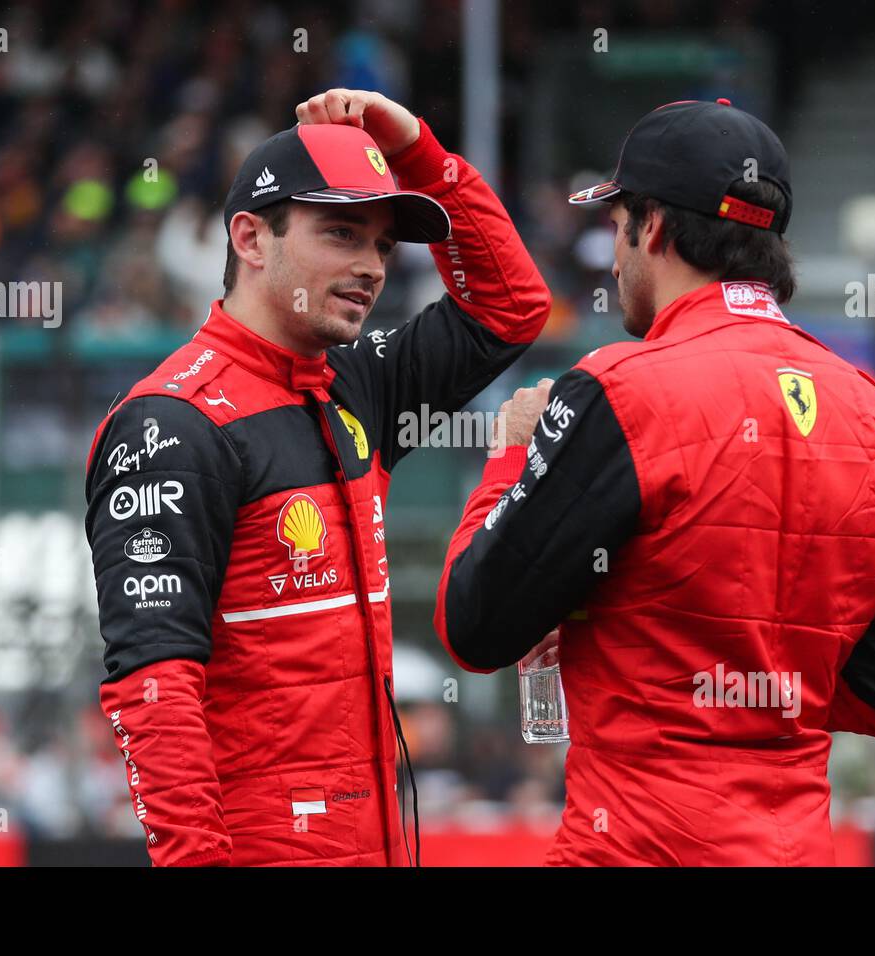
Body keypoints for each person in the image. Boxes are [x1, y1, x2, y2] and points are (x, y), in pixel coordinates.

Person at [433, 99, 875, 865]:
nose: (614, 256)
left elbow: (473, 625)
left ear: (655, 228)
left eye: (617, 225)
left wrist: (509, 454)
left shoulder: (618, 389)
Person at [85, 88, 551, 866]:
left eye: (379, 245)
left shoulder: (354, 383)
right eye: (340, 233)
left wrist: (421, 156)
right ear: (251, 238)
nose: (370, 267)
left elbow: (510, 309)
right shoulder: (169, 424)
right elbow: (153, 684)